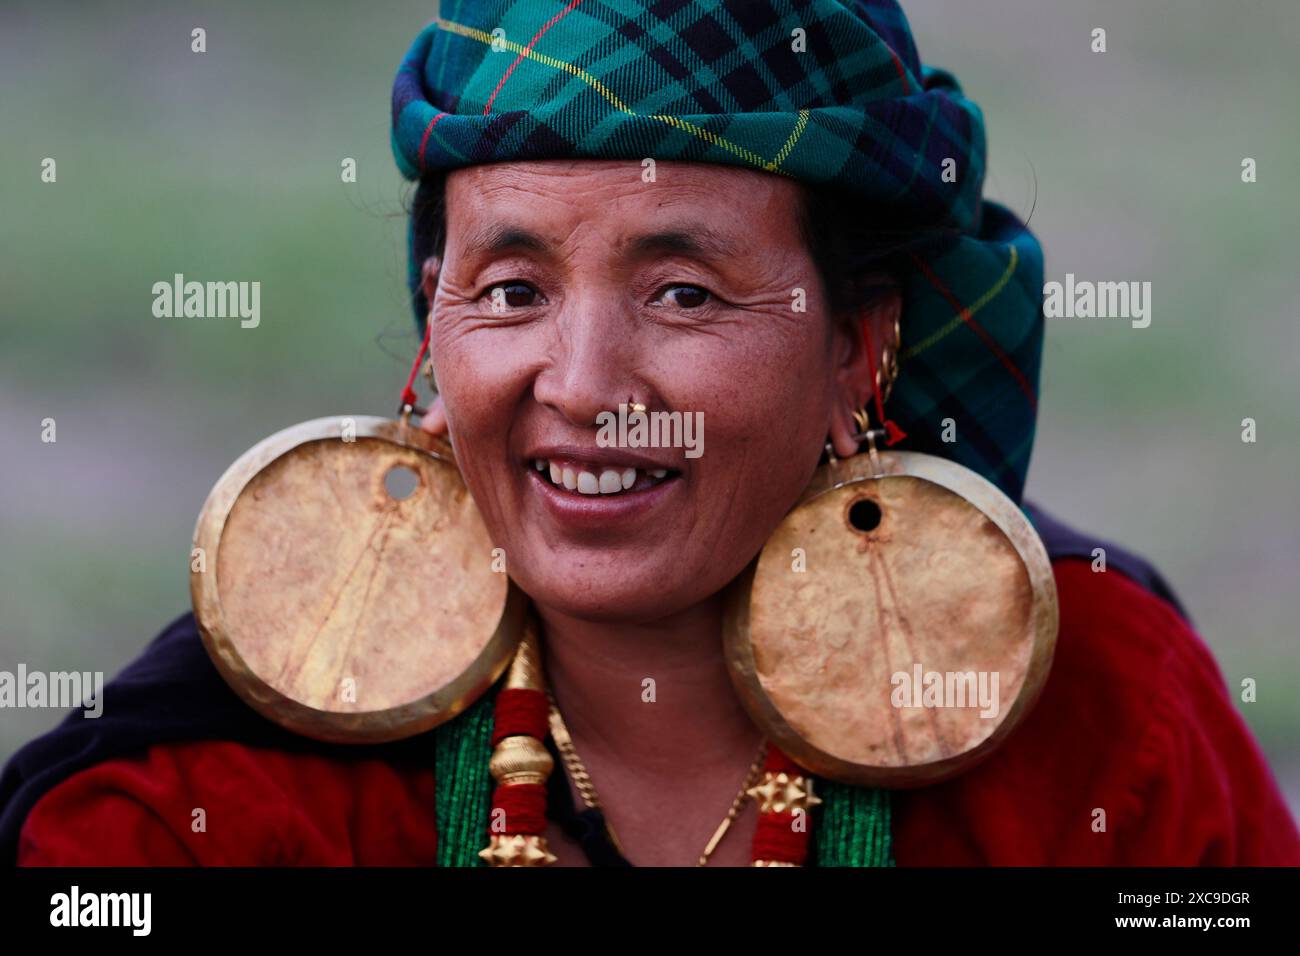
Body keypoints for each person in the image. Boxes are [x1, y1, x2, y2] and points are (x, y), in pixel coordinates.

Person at [3, 0, 1297, 867]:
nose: (584, 382)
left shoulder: (1107, 728)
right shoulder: (204, 798)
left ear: (860, 344)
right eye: (511, 290)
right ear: (429, 339)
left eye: (684, 292)